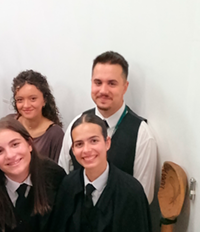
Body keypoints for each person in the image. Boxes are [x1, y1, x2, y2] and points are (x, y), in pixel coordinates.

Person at [56, 51, 159, 208]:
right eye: (98, 82)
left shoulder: (142, 134)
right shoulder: (76, 126)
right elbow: (64, 179)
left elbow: (142, 197)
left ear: (125, 87)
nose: (103, 91)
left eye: (112, 83)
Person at [11, 69, 65, 161]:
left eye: (33, 99)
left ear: (44, 100)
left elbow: (58, 168)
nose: (26, 105)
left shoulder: (55, 134)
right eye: (20, 100)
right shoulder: (9, 123)